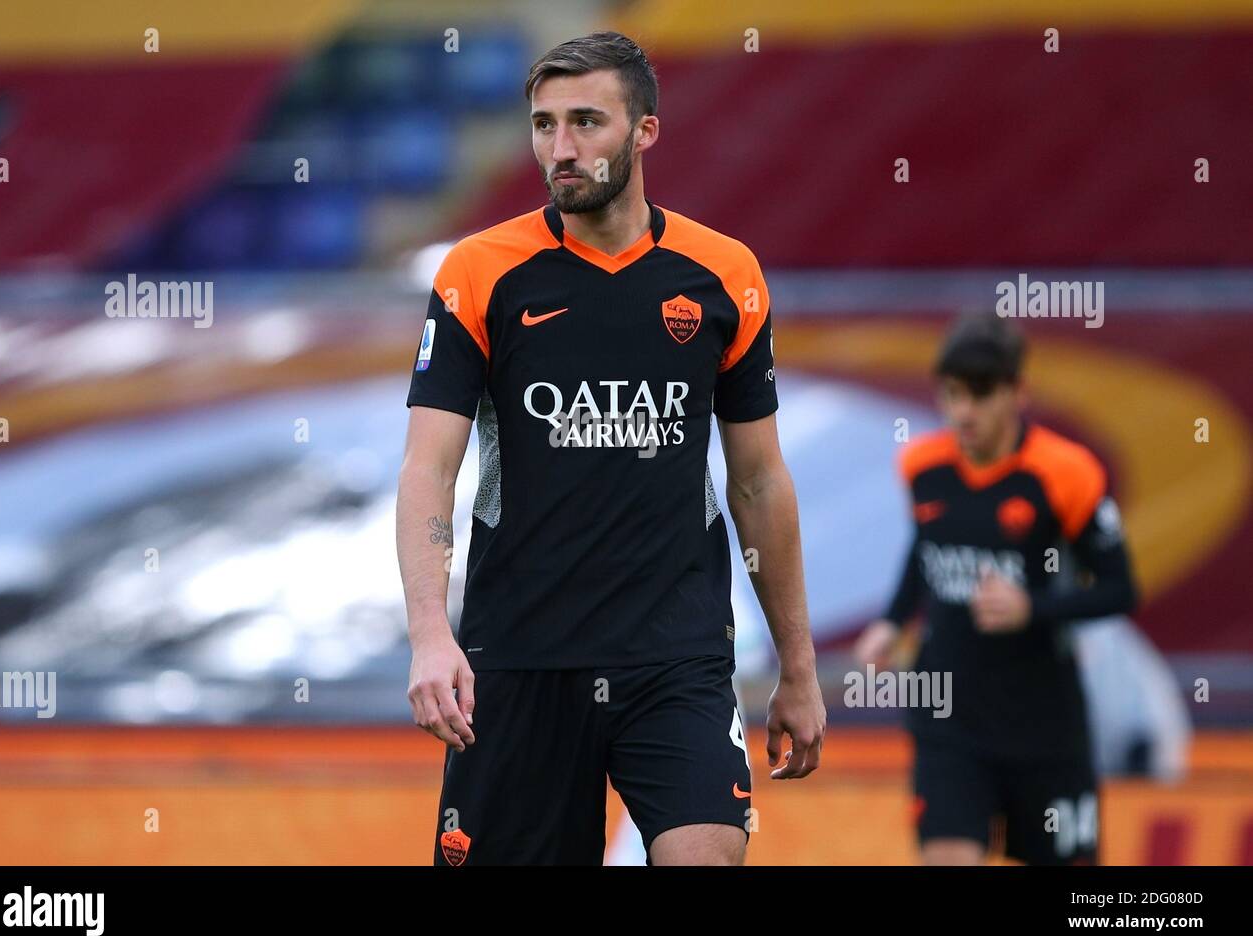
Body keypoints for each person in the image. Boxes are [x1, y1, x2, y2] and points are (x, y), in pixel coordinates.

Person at [396, 31, 825, 866]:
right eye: (544, 125)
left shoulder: (723, 274)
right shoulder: (479, 274)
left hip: (677, 654)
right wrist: (427, 635)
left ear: (644, 131)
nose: (561, 148)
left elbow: (761, 483)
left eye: (587, 122)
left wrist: (799, 668)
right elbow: (427, 470)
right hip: (518, 658)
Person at [854, 312, 1138, 865]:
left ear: (1018, 391)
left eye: (981, 395)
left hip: (1045, 726)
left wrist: (1032, 607)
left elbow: (1120, 589)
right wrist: (891, 622)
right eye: (952, 394)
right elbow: (927, 550)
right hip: (950, 718)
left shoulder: (1066, 474)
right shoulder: (922, 466)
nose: (964, 412)